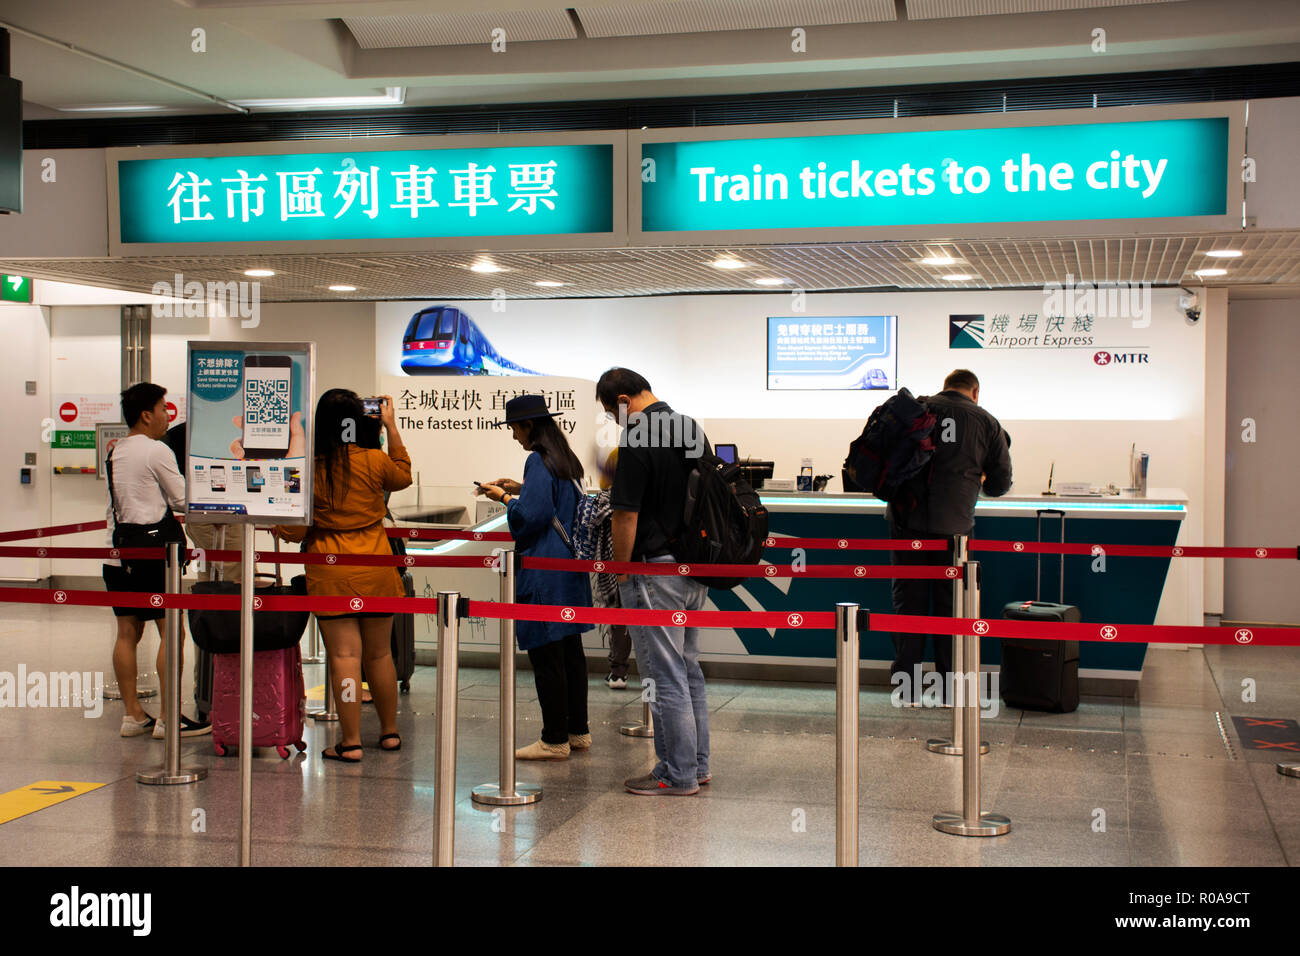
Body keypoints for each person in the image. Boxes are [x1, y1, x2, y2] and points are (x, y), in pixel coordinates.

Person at [274, 391, 410, 762]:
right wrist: (391, 425)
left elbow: (296, 532)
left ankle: (350, 741)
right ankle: (390, 732)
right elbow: (404, 474)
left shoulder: (311, 467)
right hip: (377, 568)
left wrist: (277, 524)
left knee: (345, 657)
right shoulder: (374, 460)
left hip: (330, 572)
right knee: (380, 655)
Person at [597, 367, 711, 796]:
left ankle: (675, 774)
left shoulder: (637, 435)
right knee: (688, 669)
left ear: (624, 400)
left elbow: (626, 513)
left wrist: (620, 568)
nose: (614, 420)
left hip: (653, 570)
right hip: (692, 567)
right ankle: (696, 766)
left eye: (612, 412)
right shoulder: (688, 426)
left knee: (664, 675)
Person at [477, 394, 593, 760]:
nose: (514, 436)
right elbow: (554, 503)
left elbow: (532, 517)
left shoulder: (536, 460)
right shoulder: (563, 458)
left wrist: (504, 500)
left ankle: (554, 738)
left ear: (529, 426)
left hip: (545, 569)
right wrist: (519, 487)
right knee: (571, 651)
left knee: (546, 654)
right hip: (569, 569)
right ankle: (578, 731)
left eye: (514, 428)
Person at [887, 369, 1012, 705]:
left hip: (905, 522)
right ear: (975, 391)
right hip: (954, 528)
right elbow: (1000, 483)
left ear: (945, 386)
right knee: (951, 607)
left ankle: (906, 688)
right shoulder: (986, 421)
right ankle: (948, 687)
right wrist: (977, 479)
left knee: (908, 604)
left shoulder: (919, 407)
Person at [103, 383, 210, 738]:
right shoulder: (156, 450)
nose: (168, 415)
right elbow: (182, 500)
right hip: (153, 554)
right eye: (164, 408)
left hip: (116, 552)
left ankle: (132, 714)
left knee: (127, 632)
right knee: (171, 630)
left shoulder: (116, 450)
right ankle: (168, 717)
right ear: (146, 414)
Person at [598, 445, 631, 689]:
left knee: (618, 616)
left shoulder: (605, 499)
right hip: (643, 563)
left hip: (615, 563)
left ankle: (619, 672)